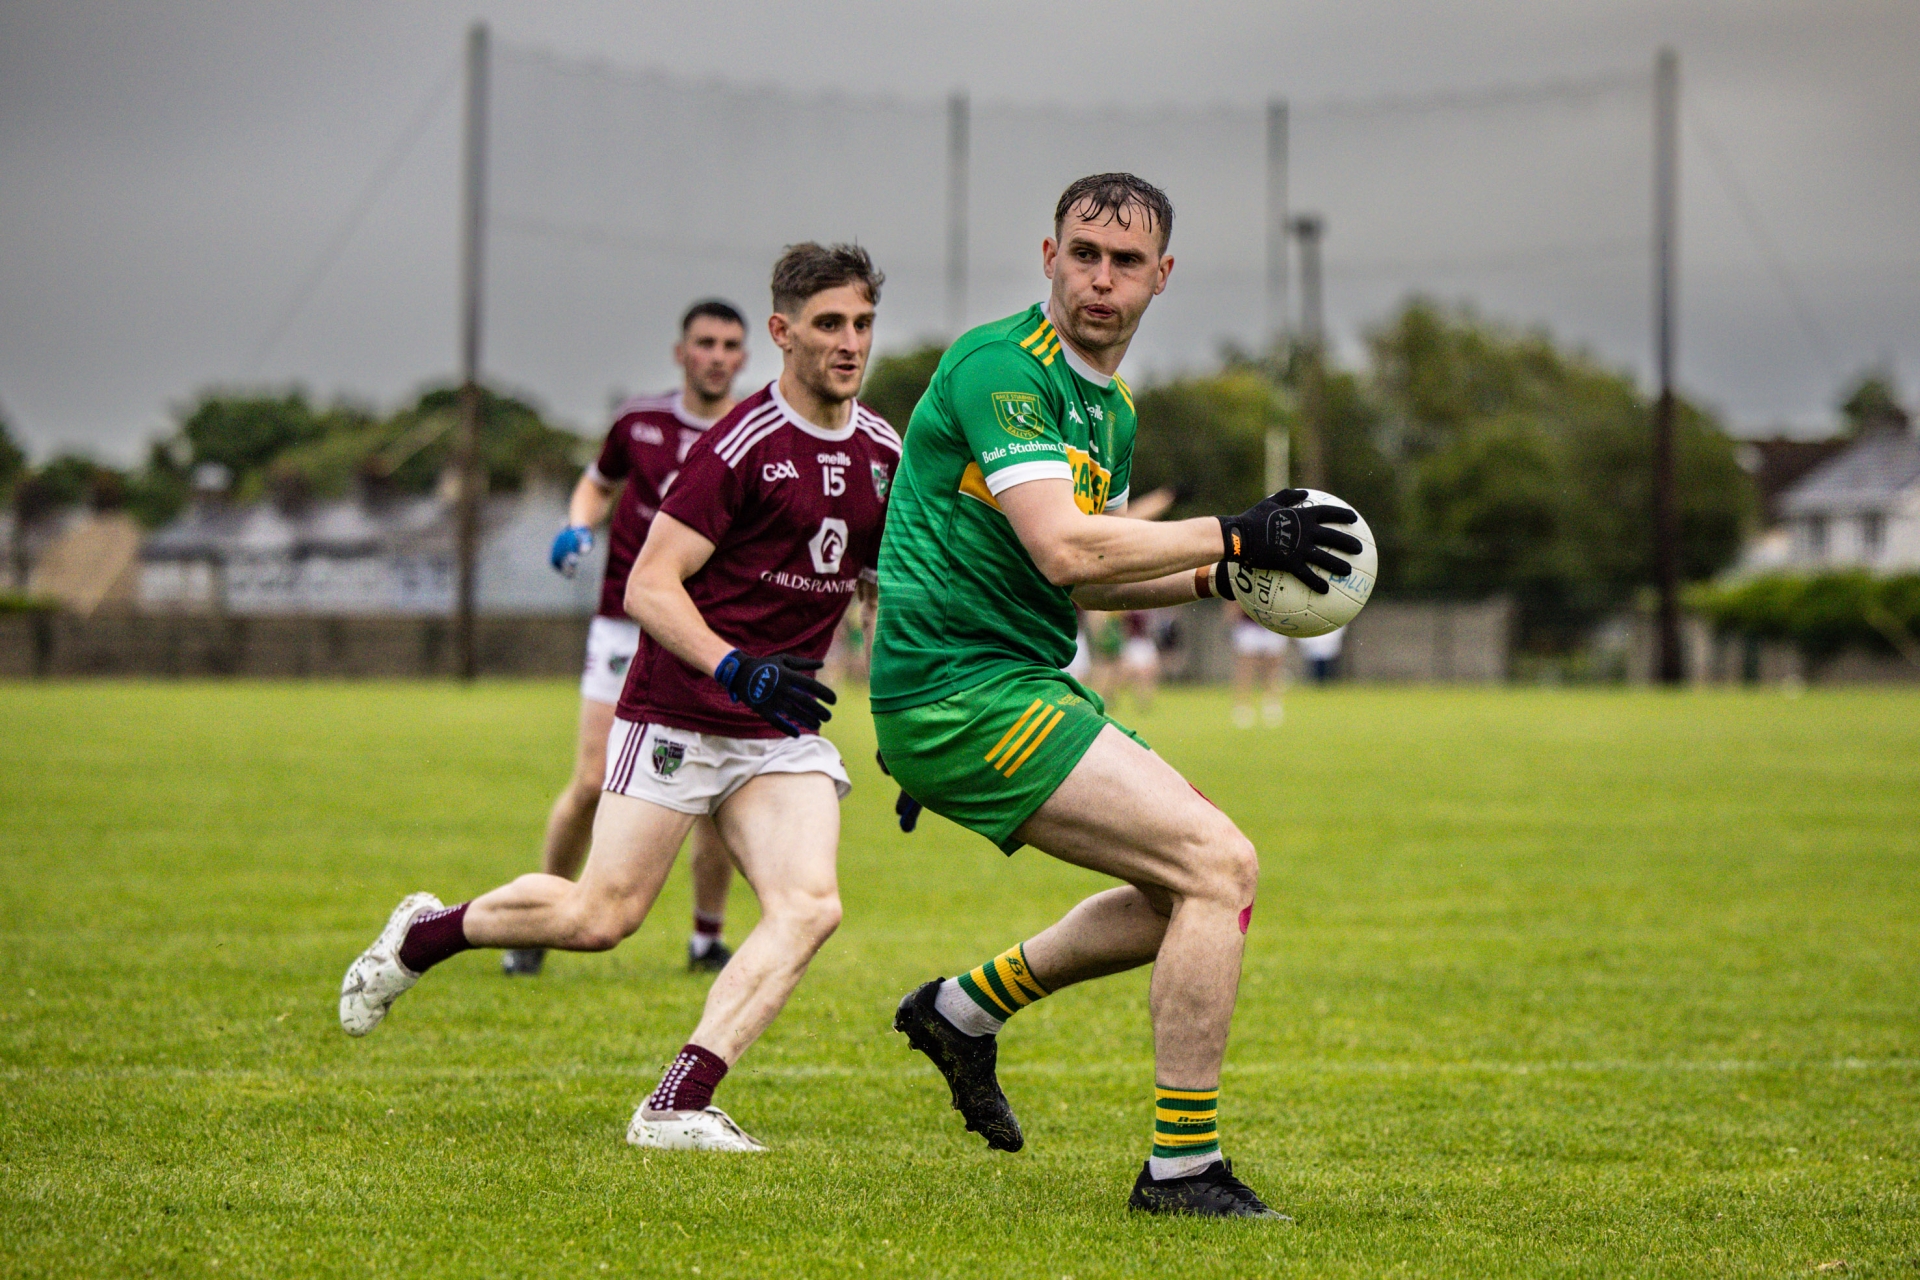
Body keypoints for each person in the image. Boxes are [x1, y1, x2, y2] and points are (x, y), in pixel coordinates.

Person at [870, 173, 1361, 1218]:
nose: (1101, 278)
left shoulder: (1113, 409)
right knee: (1219, 864)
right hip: (959, 691)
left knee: (1182, 892)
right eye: (1084, 254)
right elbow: (1065, 547)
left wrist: (1220, 576)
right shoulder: (1003, 367)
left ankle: (963, 1010)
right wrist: (1236, 532)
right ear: (1048, 256)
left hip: (1019, 682)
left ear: (1161, 275)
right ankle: (1182, 1172)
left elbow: (1096, 581)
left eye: (1126, 261)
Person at [341, 244, 899, 1153]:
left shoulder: (884, 451)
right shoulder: (737, 446)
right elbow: (648, 585)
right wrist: (734, 666)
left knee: (810, 906)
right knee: (600, 918)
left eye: (863, 324)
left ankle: (677, 1103)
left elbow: (879, 587)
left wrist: (904, 716)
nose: (850, 342)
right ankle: (425, 934)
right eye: (829, 324)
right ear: (782, 332)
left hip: (780, 731)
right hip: (682, 710)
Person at [520, 300, 752, 979]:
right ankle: (535, 922)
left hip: (708, 628)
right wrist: (578, 525)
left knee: (715, 794)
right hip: (626, 620)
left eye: (729, 345)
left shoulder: (752, 430)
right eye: (705, 342)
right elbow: (595, 485)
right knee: (592, 781)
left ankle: (707, 938)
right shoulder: (639, 422)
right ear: (681, 352)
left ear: (744, 356)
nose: (716, 355)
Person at [1228, 599, 1289, 728]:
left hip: (1273, 624)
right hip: (1249, 625)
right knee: (1246, 667)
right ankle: (1242, 705)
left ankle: (1271, 703)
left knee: (1272, 667)